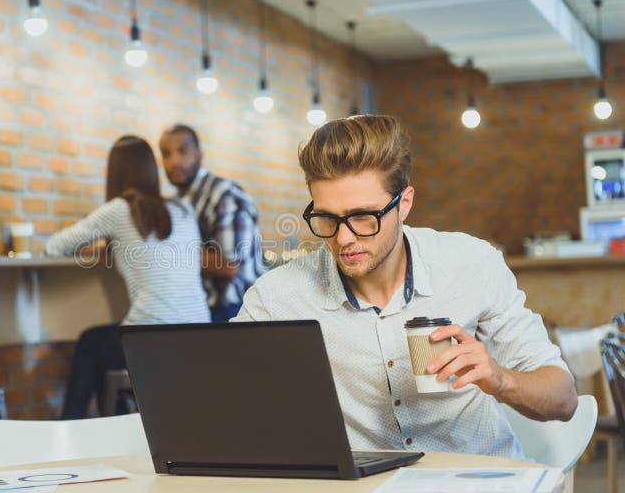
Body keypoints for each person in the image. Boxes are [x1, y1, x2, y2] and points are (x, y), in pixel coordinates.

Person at [233, 115, 577, 458]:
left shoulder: (472, 265)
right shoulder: (277, 297)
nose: (344, 238)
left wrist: (500, 379)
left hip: (480, 486)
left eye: (363, 216)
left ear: (405, 203)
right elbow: (219, 399)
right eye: (327, 218)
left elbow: (563, 399)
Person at [47, 135, 210, 419]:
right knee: (102, 345)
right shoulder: (182, 209)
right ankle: (116, 419)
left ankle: (69, 426)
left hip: (151, 339)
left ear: (115, 173)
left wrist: (101, 245)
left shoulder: (121, 209)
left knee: (90, 343)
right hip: (198, 336)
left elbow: (55, 247)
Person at [158, 124, 266, 322]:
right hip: (197, 309)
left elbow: (228, 266)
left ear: (199, 155)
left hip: (236, 310)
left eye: (183, 151)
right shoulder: (176, 202)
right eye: (166, 154)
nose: (174, 161)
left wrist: (163, 251)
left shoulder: (223, 194)